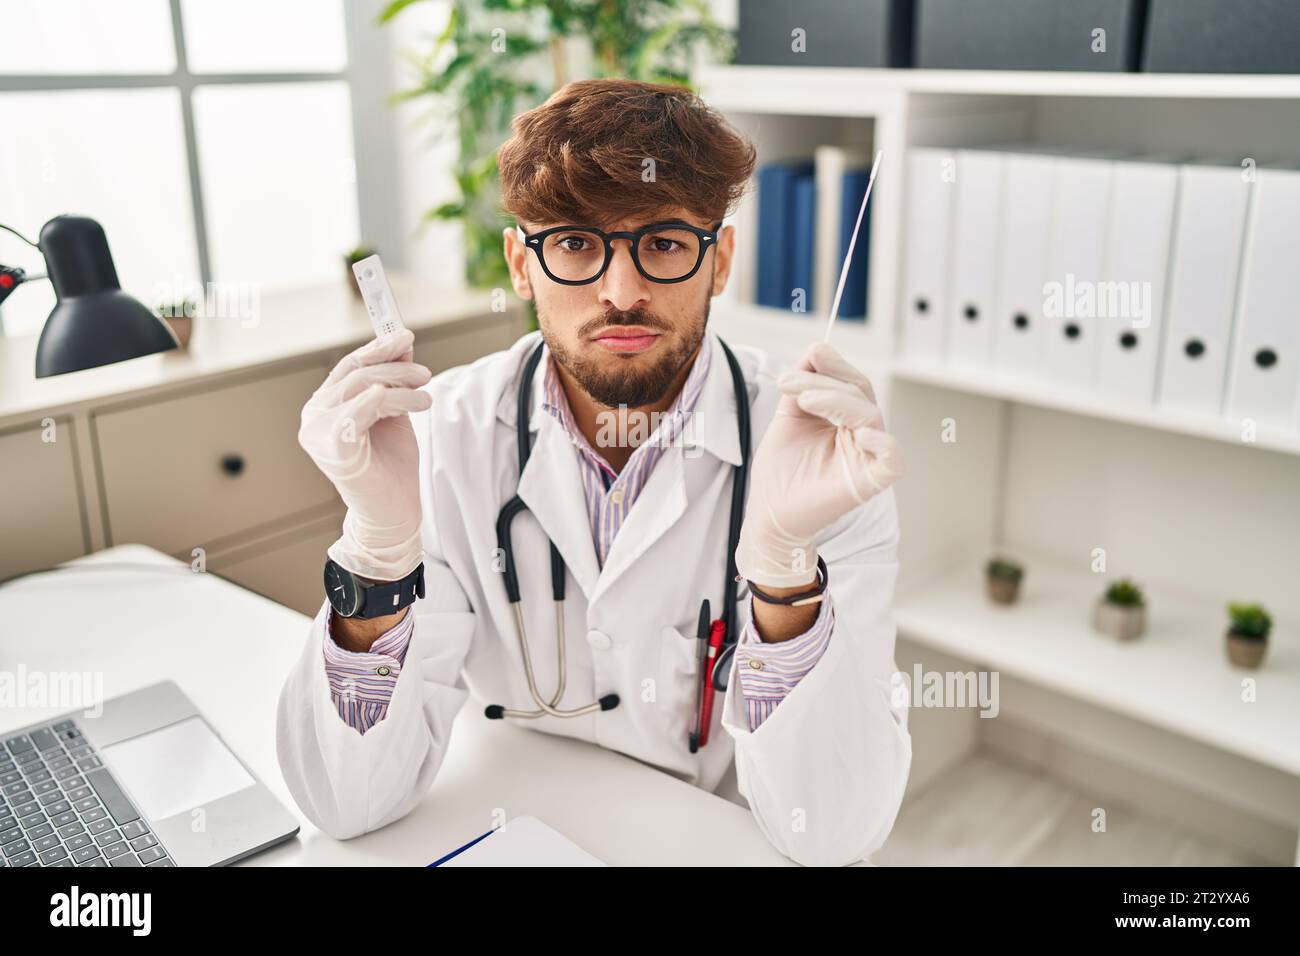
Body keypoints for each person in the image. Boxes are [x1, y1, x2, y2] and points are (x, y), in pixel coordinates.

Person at [277, 78, 909, 867]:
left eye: (665, 243)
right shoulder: (445, 438)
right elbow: (349, 803)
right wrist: (376, 550)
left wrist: (783, 573)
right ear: (520, 262)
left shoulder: (818, 459)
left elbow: (833, 834)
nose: (622, 293)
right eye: (575, 243)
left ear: (720, 263)